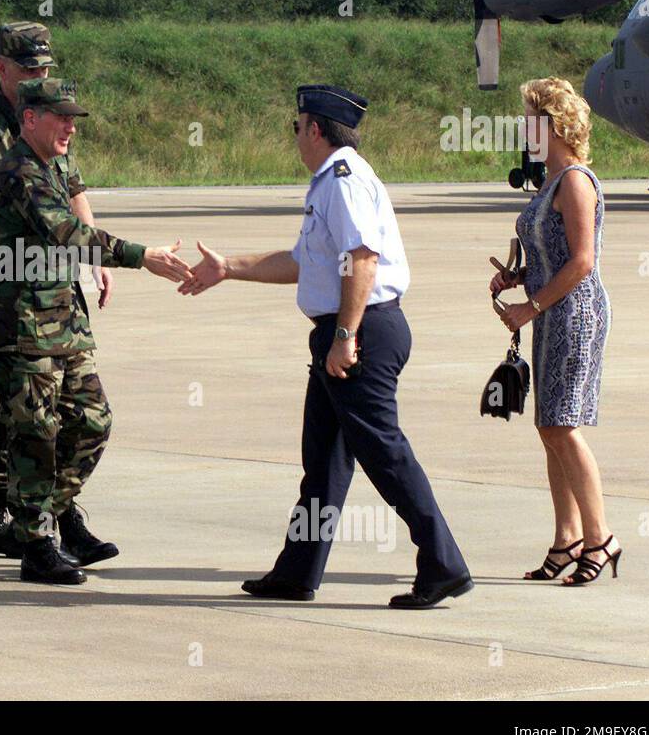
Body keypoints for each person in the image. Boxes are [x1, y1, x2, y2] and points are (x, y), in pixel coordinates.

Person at [179, 85, 472, 609]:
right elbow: (304, 263)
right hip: (345, 330)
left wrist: (344, 336)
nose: (294, 136)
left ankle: (443, 563)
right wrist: (229, 268)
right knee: (324, 460)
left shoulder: (342, 180)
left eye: (296, 126)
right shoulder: (331, 181)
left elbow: (362, 259)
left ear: (314, 128)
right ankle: (297, 571)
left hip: (360, 331)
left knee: (384, 452)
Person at [0, 78, 191, 584]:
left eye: (74, 117)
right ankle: (35, 545)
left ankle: (38, 521)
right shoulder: (20, 172)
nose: (71, 126)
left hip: (63, 322)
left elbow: (77, 218)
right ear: (30, 118)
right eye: (61, 116)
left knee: (93, 421)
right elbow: (68, 234)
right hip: (24, 326)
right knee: (36, 433)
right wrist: (142, 256)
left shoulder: (54, 165)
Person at [0, 22, 115, 559]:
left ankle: (11, 517)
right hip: (1, 296)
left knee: (39, 408)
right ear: (1, 69)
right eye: (27, 69)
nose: (36, 76)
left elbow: (74, 191)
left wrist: (94, 262)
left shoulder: (53, 121)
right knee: (31, 411)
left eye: (43, 68)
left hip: (54, 293)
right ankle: (34, 521)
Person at [491, 77, 618, 585]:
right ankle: (566, 539)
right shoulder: (549, 180)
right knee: (549, 427)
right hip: (551, 309)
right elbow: (554, 254)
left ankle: (601, 538)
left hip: (576, 315)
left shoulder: (576, 182)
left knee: (563, 424)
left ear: (556, 126)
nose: (525, 128)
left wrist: (530, 306)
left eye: (531, 120)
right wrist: (517, 277)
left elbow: (583, 261)